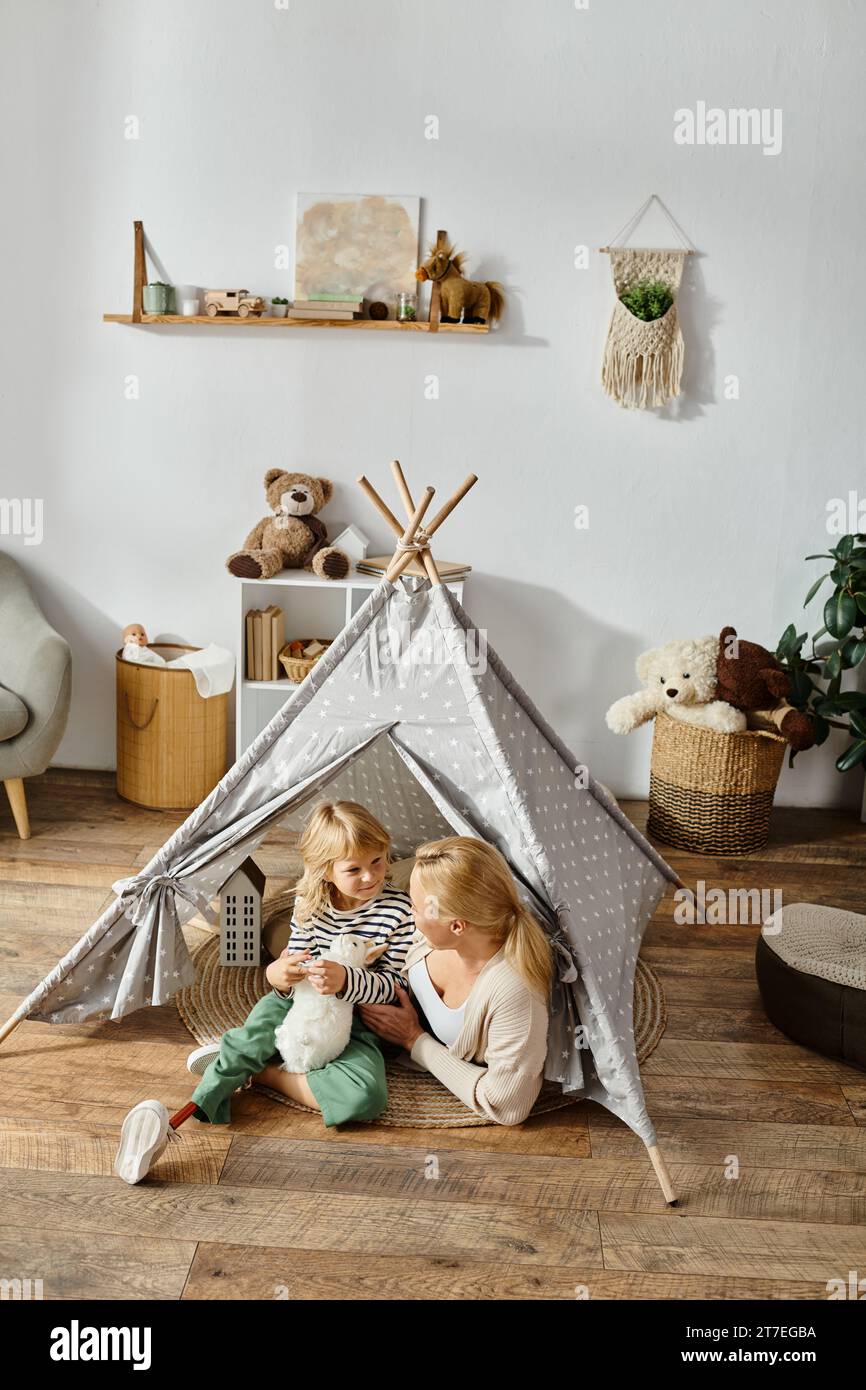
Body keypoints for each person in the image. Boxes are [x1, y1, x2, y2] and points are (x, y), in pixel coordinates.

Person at [113, 801, 414, 1184]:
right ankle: (180, 1117)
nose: (371, 876)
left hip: (357, 1025)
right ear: (325, 871)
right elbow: (286, 972)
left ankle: (263, 1073)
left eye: (379, 861)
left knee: (364, 1098)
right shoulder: (310, 905)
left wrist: (348, 982)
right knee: (247, 1041)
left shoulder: (400, 911)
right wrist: (278, 974)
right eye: (354, 869)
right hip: (297, 1007)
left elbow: (400, 984)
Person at [358, 836, 553, 1125]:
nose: (407, 912)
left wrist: (414, 1040)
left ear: (458, 926)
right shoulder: (429, 932)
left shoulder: (515, 993)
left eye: (414, 906)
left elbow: (508, 1105)